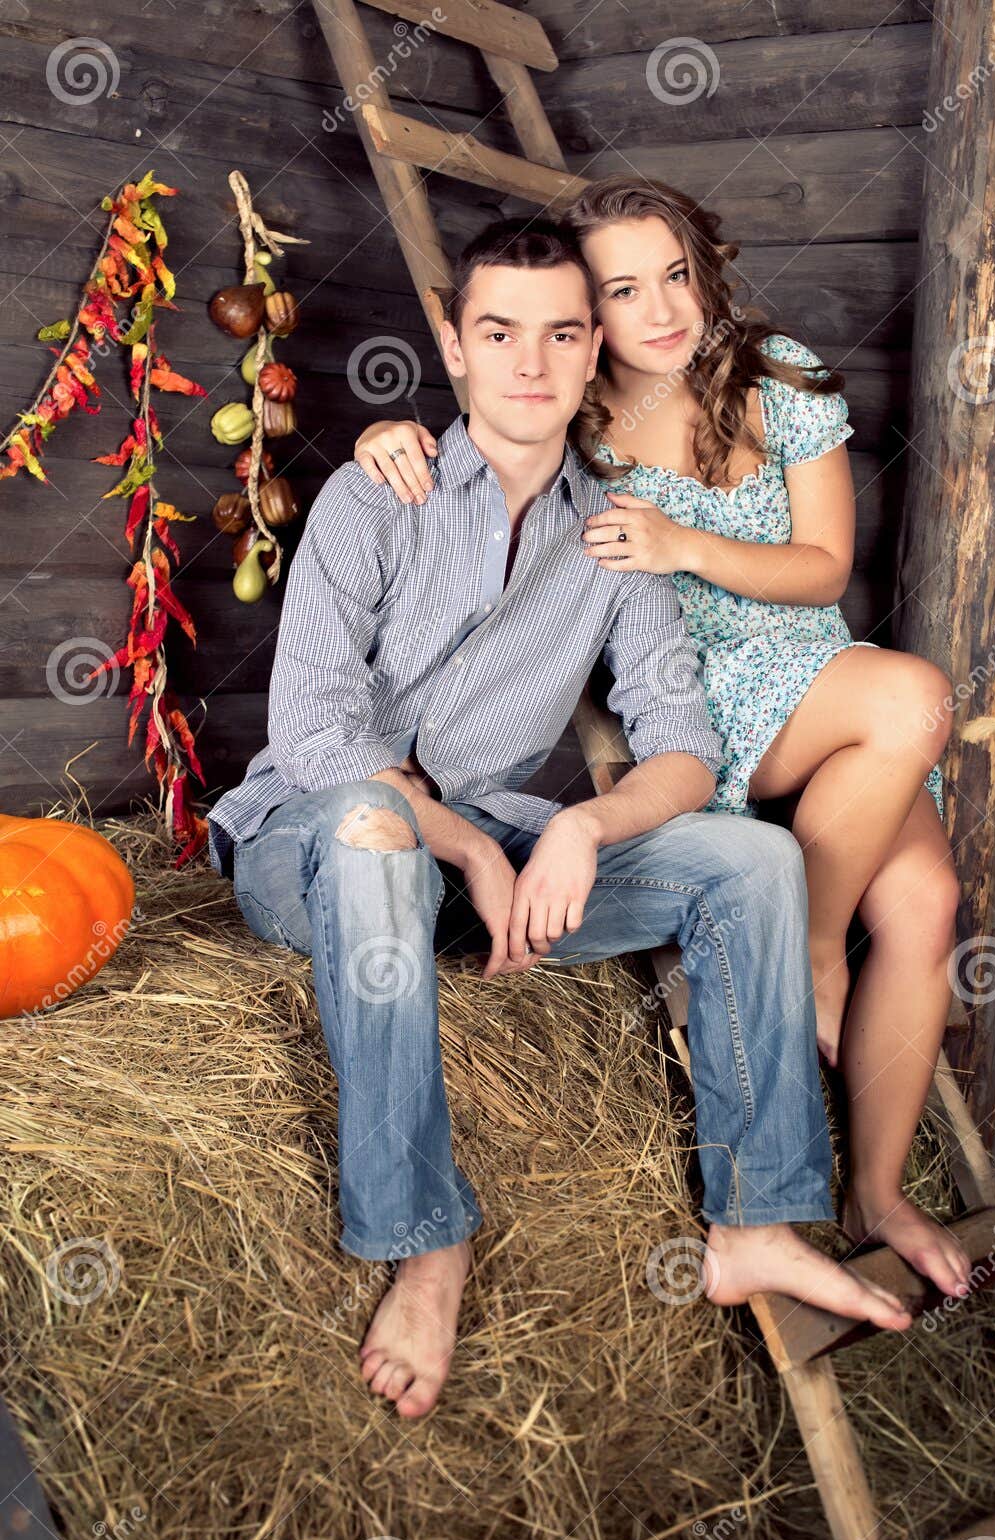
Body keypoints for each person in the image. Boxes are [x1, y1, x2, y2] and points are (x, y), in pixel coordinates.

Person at [207, 217, 912, 1423]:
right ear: (454, 345)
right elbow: (323, 739)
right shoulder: (373, 497)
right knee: (377, 832)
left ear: (592, 353)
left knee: (747, 855)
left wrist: (583, 828)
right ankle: (427, 1240)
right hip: (315, 842)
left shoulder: (614, 536)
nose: (529, 363)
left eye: (560, 334)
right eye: (498, 332)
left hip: (500, 848)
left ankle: (753, 1219)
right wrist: (477, 848)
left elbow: (684, 751)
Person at [352, 180, 970, 1305]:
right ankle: (815, 955)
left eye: (674, 274)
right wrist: (387, 430)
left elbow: (824, 567)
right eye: (623, 291)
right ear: (584, 317)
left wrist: (682, 541)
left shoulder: (777, 375)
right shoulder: (575, 423)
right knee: (914, 695)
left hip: (822, 671)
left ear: (705, 269)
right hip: (707, 700)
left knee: (926, 902)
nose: (662, 308)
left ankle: (876, 1195)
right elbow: (477, 427)